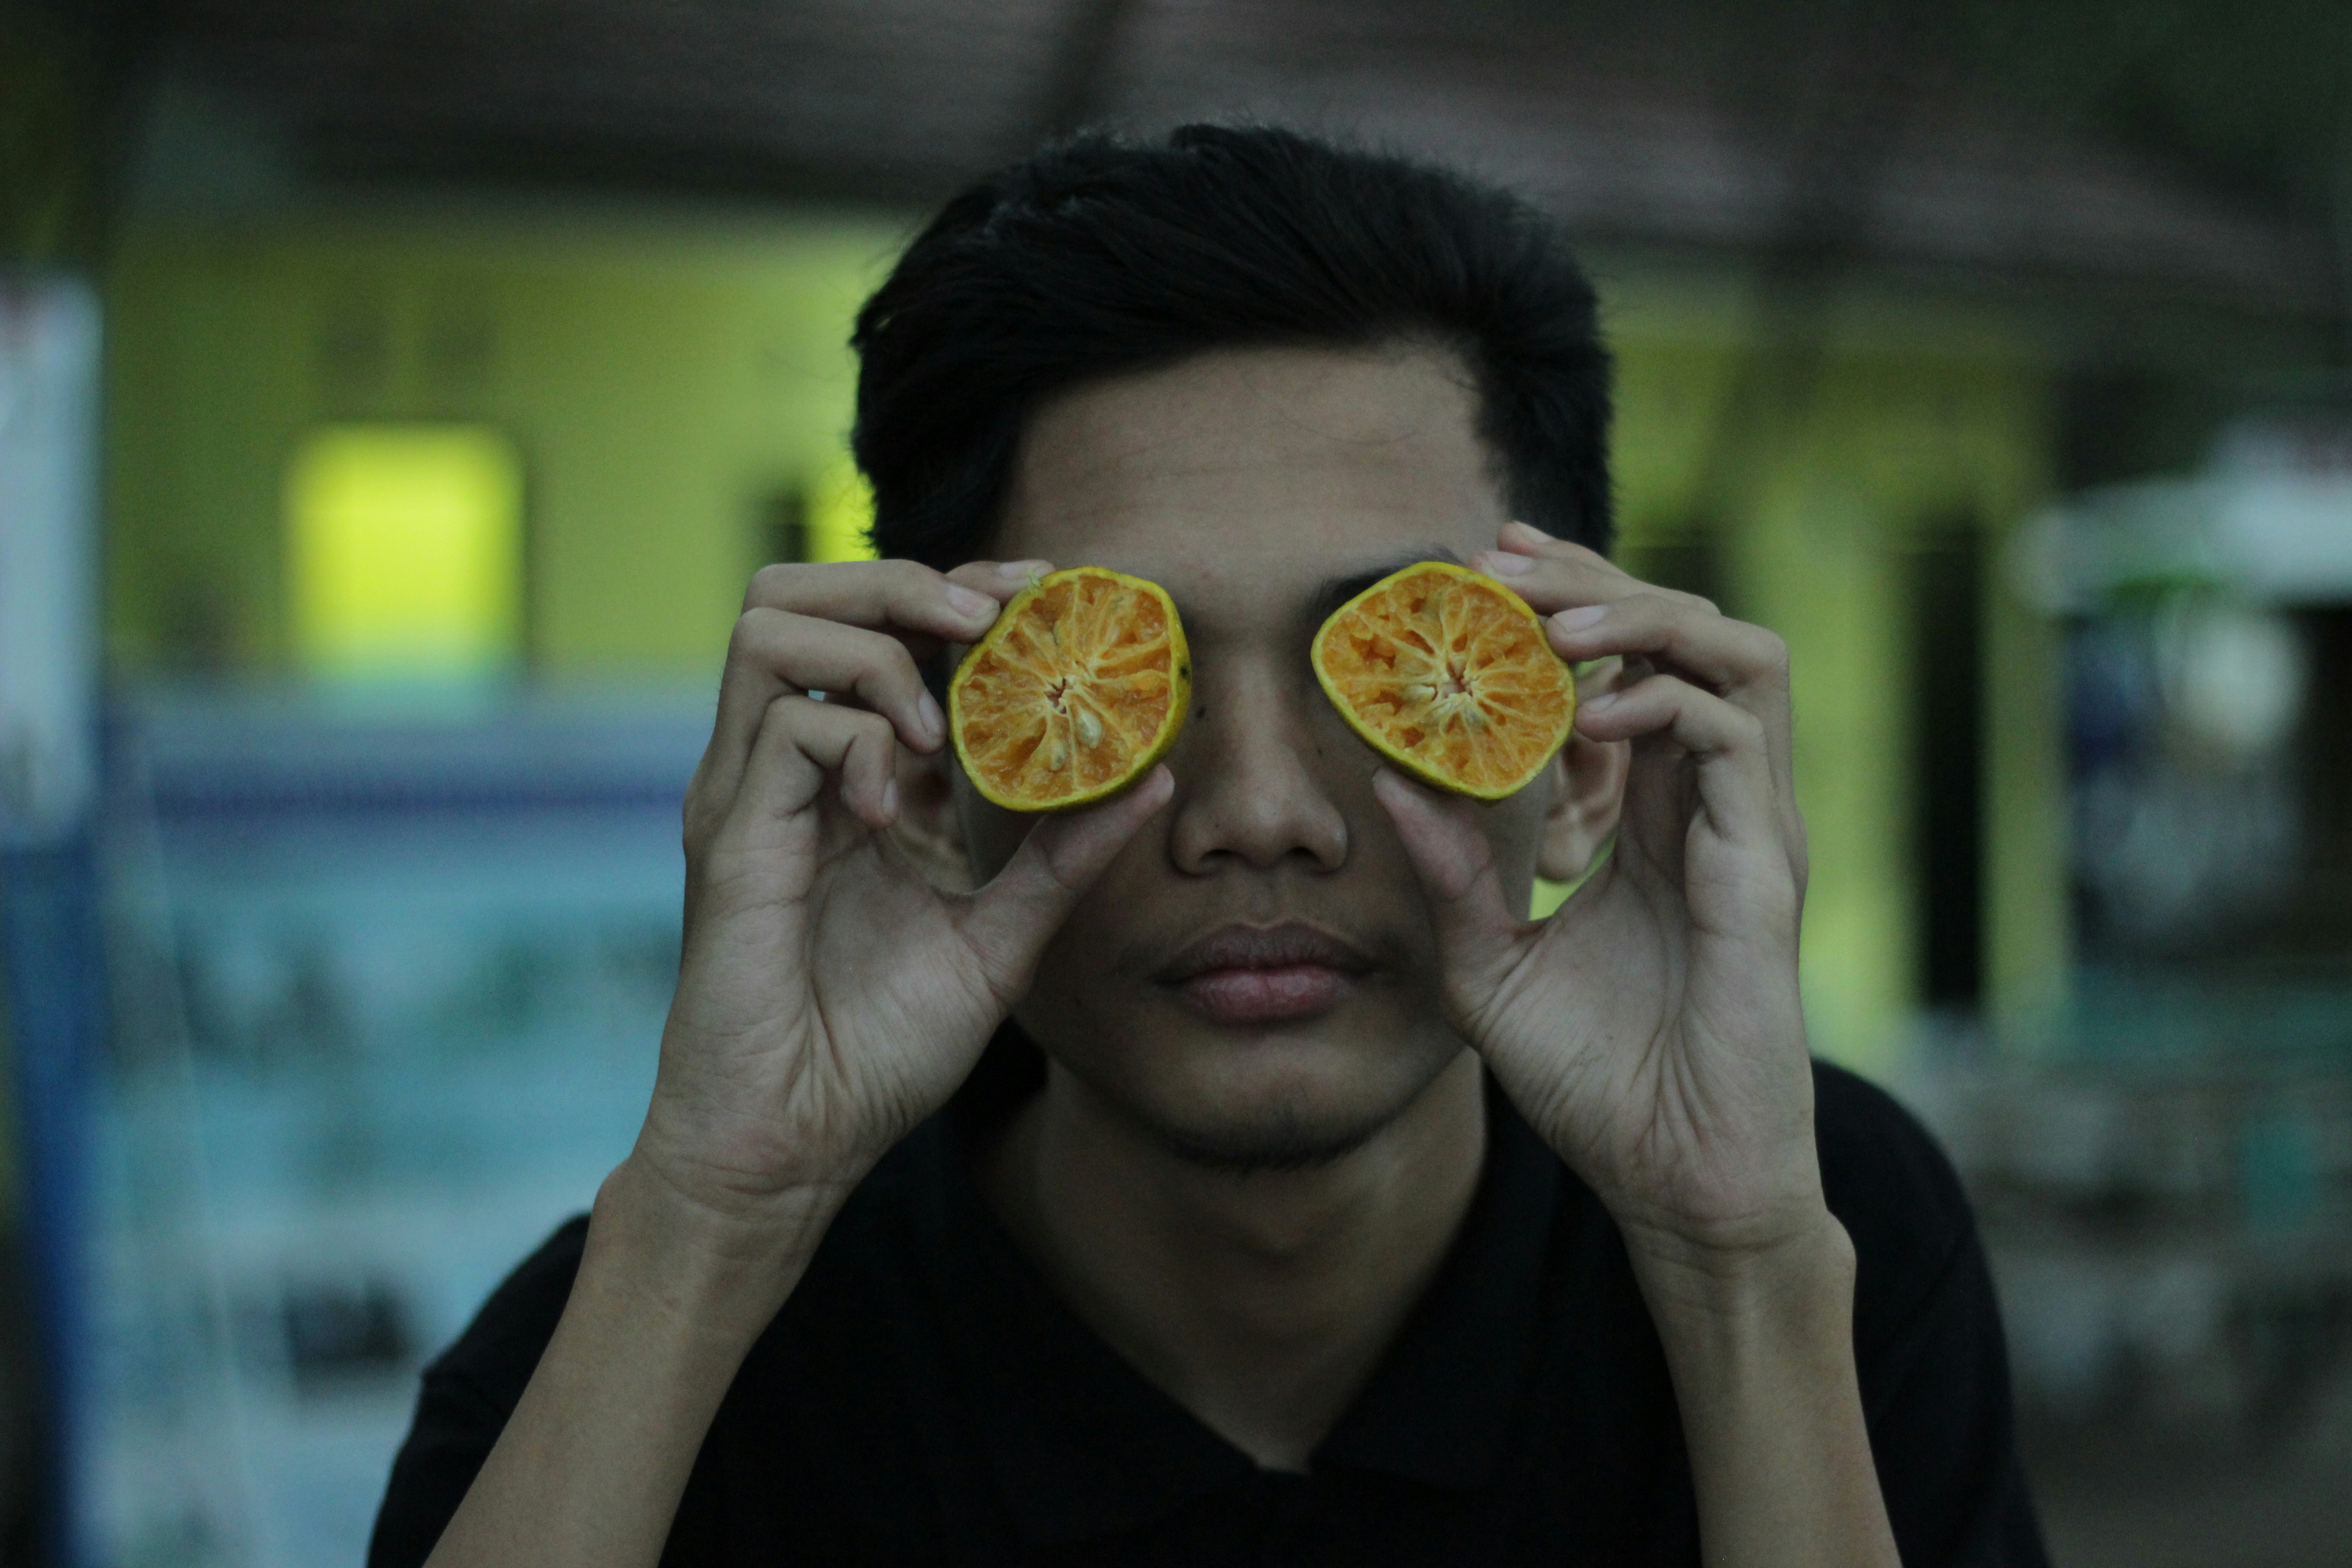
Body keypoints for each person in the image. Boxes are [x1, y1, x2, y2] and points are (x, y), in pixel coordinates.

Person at [370, 125, 2046, 1567]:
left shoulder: (1826, 1239)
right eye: (1113, 678)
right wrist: (711, 1221)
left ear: (1586, 763)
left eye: (1401, 670)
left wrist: (1736, 1274)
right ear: (937, 768)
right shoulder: (623, 1364)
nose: (1258, 812)